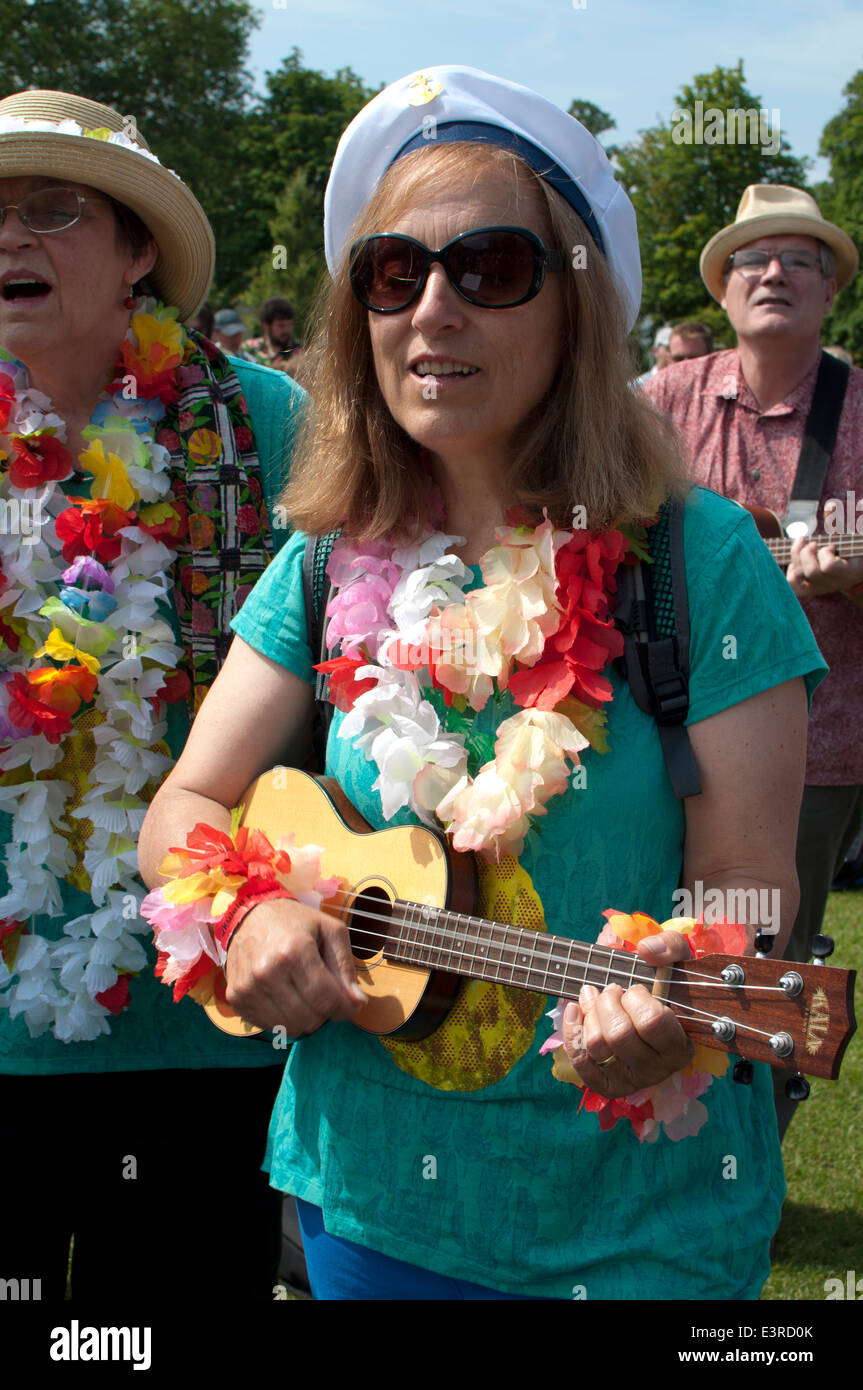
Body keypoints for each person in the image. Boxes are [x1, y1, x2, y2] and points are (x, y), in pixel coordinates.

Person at [139, 67, 825, 1301]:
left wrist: (674, 1005)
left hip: (633, 1236)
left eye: (489, 268)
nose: (432, 309)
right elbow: (185, 804)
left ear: (573, 307)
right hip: (366, 1205)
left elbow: (748, 886)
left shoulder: (697, 556)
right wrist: (248, 913)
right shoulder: (322, 558)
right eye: (393, 275)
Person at [0, 89, 305, 1299]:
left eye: (54, 210)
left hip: (201, 1009)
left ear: (139, 253)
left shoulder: (263, 423)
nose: (11, 239)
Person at [642, 185, 862, 1140]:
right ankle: (640, 1138)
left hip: (815, 742)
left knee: (763, 956)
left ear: (828, 292)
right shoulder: (660, 403)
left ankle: (744, 1163)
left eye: (800, 261)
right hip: (655, 725)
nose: (774, 274)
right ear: (724, 292)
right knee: (644, 939)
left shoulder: (859, 410)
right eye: (752, 261)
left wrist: (851, 572)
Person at [256, 296, 303, 372]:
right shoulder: (250, 351)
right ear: (266, 326)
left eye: (290, 325)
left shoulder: (299, 352)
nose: (286, 330)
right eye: (281, 325)